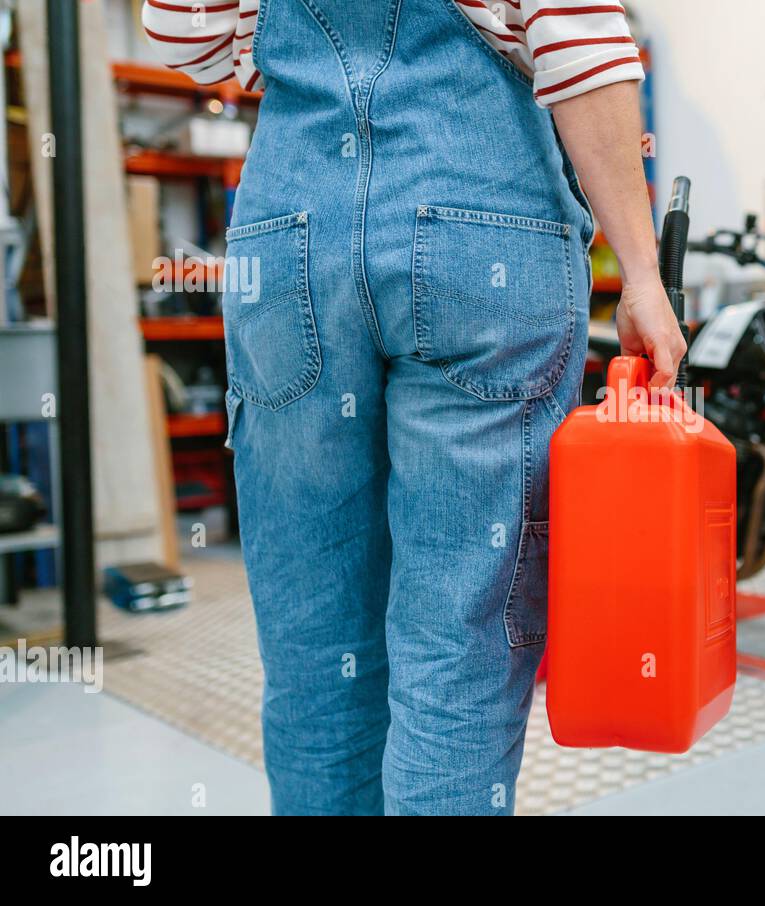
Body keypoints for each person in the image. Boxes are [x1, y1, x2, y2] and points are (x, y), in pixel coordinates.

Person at [141, 0, 685, 815]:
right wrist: (641, 272)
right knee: (457, 656)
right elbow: (580, 37)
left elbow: (183, 33)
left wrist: (307, 60)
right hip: (482, 226)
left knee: (316, 657)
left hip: (292, 235)